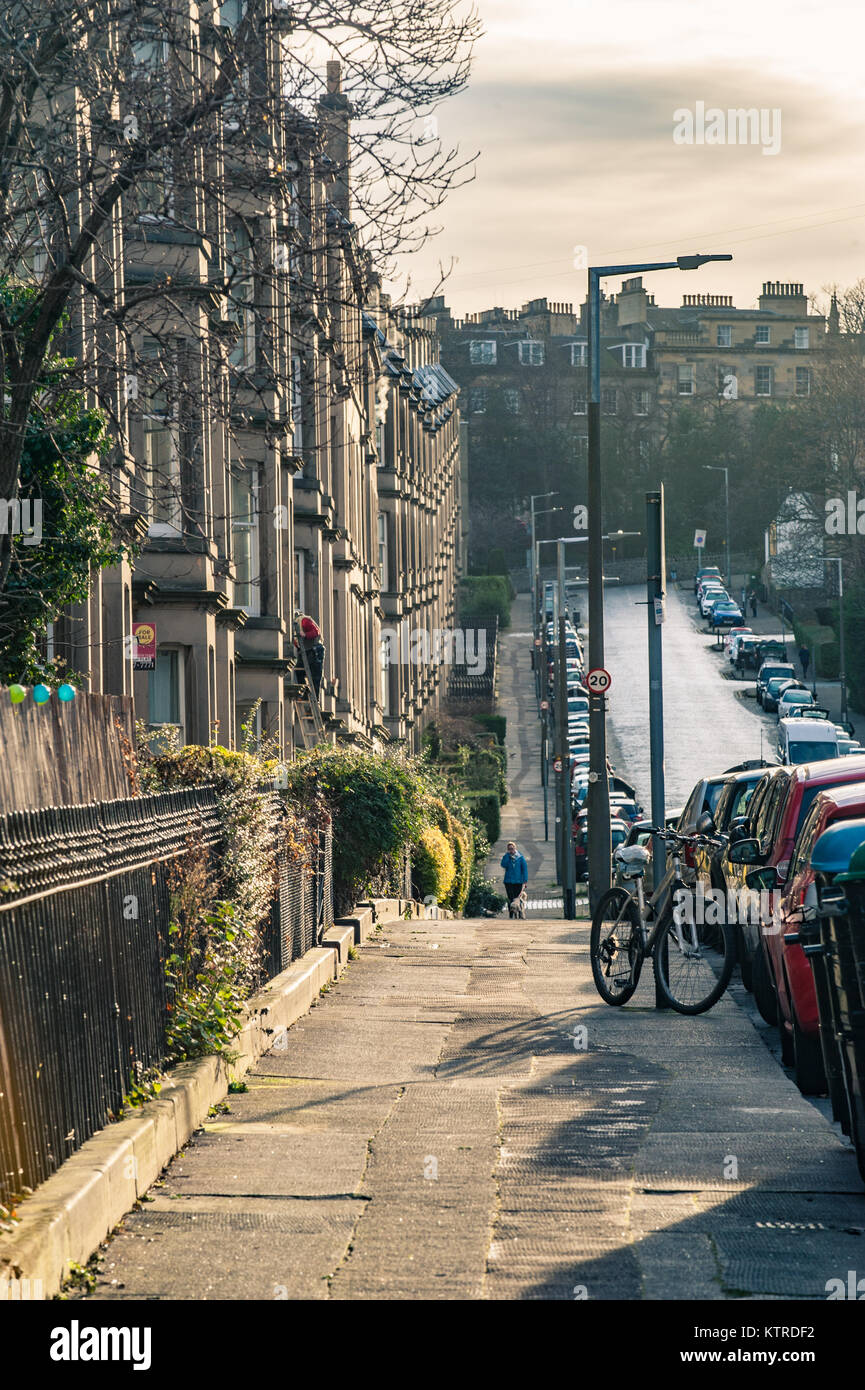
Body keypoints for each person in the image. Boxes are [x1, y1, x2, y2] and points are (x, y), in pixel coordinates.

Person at [293, 613, 325, 697]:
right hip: (306, 650)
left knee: (315, 676)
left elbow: (316, 632)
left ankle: (315, 697)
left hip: (315, 650)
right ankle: (305, 693)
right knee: (299, 671)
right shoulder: (295, 625)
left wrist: (305, 635)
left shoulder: (304, 621)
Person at [500, 841, 528, 915]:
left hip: (518, 881)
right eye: (509, 849)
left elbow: (524, 869)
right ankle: (511, 913)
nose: (511, 850)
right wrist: (507, 856)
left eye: (512, 848)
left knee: (517, 898)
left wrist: (525, 881)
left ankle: (519, 912)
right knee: (510, 898)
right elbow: (503, 864)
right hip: (508, 881)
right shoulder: (506, 856)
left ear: (515, 848)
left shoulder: (520, 858)